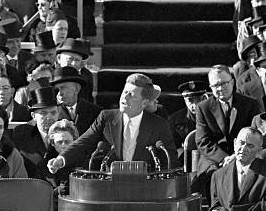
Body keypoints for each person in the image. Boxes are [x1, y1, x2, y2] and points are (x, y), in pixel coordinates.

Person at [47, 73, 177, 173]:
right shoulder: (106, 117)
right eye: (125, 92)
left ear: (144, 103)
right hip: (110, 187)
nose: (124, 98)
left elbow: (170, 159)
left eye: (132, 95)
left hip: (145, 188)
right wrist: (61, 159)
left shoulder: (159, 125)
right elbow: (83, 142)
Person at [195, 65, 261, 184]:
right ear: (210, 87)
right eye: (215, 85)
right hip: (215, 157)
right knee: (212, 174)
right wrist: (224, 158)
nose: (220, 88)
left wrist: (237, 155)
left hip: (244, 152)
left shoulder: (250, 104)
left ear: (232, 82)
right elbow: (202, 141)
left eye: (224, 83)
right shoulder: (203, 108)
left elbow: (255, 133)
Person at [209, 127, 266, 211]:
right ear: (235, 143)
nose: (244, 148)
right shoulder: (218, 175)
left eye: (250, 146)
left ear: (259, 151)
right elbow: (215, 205)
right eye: (241, 143)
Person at [12, 82, 60, 178]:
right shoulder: (21, 134)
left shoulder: (66, 132)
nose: (49, 117)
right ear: (34, 116)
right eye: (43, 113)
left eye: (53, 113)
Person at [50, 65, 102, 135]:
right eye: (56, 89)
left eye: (63, 88)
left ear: (77, 89)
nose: (59, 93)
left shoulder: (96, 112)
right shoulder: (51, 112)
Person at [168, 81, 207, 157]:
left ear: (205, 98)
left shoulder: (216, 116)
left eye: (198, 99)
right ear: (185, 101)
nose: (195, 105)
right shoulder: (174, 120)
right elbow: (172, 146)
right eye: (190, 100)